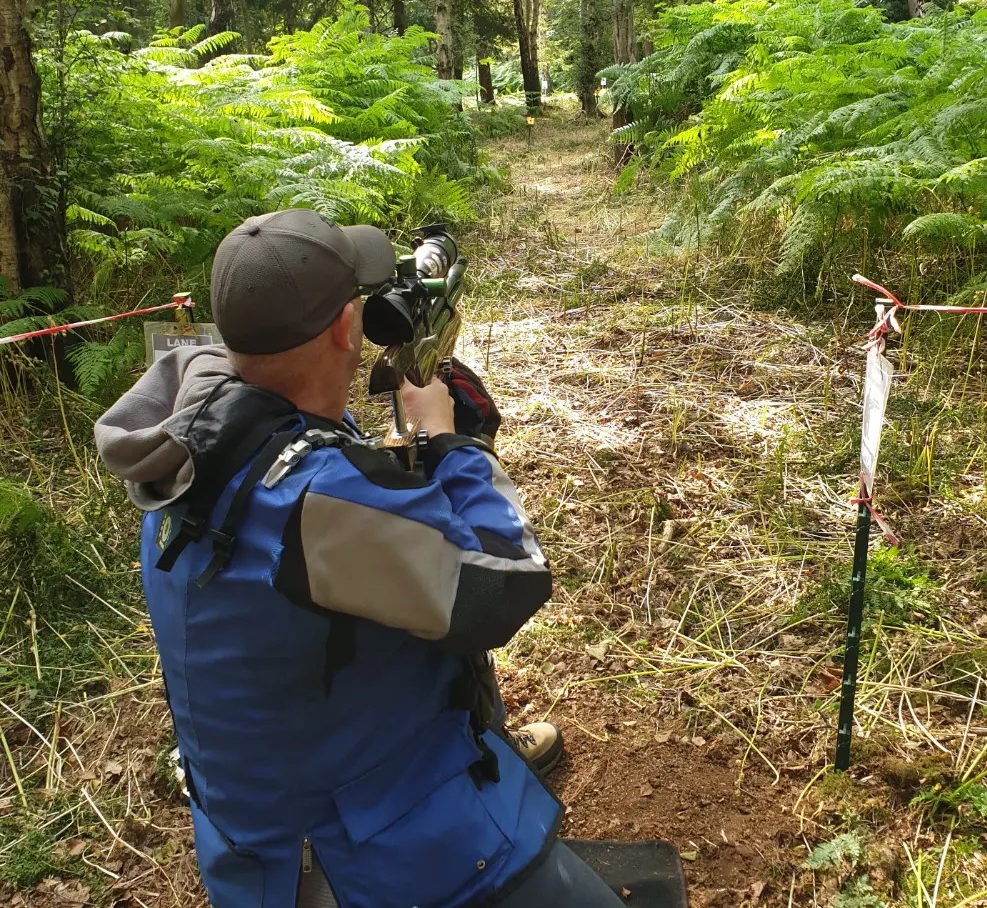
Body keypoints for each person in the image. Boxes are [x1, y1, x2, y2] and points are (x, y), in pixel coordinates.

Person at [95, 209, 625, 907]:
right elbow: (509, 582)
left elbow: (329, 521)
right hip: (366, 857)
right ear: (348, 328)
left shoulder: (197, 436)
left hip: (253, 836)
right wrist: (454, 445)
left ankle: (487, 742)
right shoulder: (316, 503)